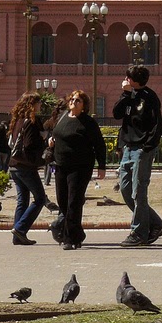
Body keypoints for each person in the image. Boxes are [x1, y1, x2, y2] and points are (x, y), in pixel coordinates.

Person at [113, 64, 162, 247]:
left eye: (128, 78)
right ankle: (156, 224)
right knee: (126, 190)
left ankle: (139, 233)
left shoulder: (150, 98)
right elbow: (116, 114)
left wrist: (147, 147)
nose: (126, 80)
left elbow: (157, 125)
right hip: (127, 148)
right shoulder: (129, 95)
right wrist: (126, 94)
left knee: (138, 192)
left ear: (135, 80)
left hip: (141, 150)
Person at [49, 90, 107, 250]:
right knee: (62, 201)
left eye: (78, 100)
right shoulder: (63, 118)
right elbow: (56, 134)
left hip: (80, 167)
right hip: (61, 165)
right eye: (72, 99)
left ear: (84, 105)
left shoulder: (88, 122)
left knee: (74, 201)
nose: (74, 101)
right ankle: (78, 234)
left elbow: (99, 145)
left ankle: (71, 238)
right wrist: (51, 143)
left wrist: (101, 166)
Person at [8, 92, 48, 246]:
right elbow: (29, 144)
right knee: (40, 198)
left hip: (15, 165)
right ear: (32, 104)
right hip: (26, 166)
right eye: (38, 103)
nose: (40, 106)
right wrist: (42, 138)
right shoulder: (31, 121)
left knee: (22, 201)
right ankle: (20, 228)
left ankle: (18, 236)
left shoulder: (17, 120)